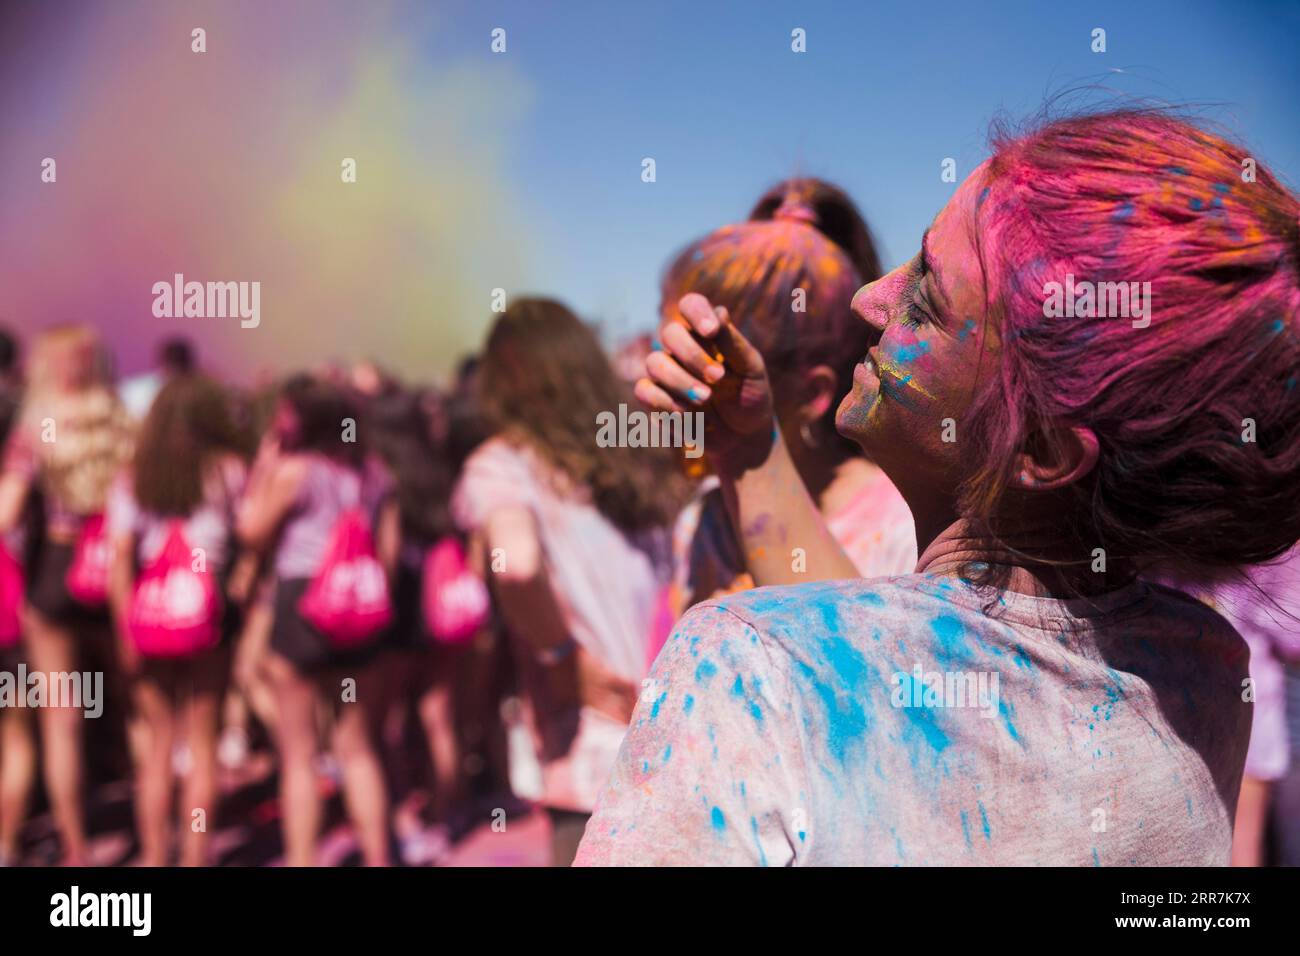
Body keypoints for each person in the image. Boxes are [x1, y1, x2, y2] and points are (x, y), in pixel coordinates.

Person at [578, 109, 1300, 865]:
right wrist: (751, 454)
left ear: (1044, 449)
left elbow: (841, 671)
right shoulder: (1204, 672)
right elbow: (877, 674)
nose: (870, 300)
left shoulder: (744, 665)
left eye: (924, 297)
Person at [451, 298, 685, 865]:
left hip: (592, 757)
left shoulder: (503, 466)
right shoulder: (632, 456)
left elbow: (516, 564)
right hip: (679, 738)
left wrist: (562, 657)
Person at [661, 179, 915, 613]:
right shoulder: (706, 518)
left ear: (812, 394)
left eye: (721, 365)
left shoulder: (901, 533)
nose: (669, 372)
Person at [236, 375, 397, 866]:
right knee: (359, 750)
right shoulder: (375, 474)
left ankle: (303, 859)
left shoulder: (295, 472)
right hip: (359, 608)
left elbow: (251, 532)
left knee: (299, 755)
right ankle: (379, 857)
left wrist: (262, 471)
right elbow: (388, 553)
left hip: (301, 605)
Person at [0, 325, 134, 865]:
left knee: (61, 719)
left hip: (56, 569)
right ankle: (160, 835)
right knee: (138, 711)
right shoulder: (121, 423)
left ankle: (76, 848)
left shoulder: (38, 428)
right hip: (115, 568)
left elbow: (7, 511)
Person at [106, 374, 248, 866]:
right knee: (203, 745)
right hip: (210, 611)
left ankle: (152, 855)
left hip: (150, 612)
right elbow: (248, 534)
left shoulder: (132, 475)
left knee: (157, 747)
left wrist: (124, 630)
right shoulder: (229, 470)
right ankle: (194, 855)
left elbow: (120, 557)